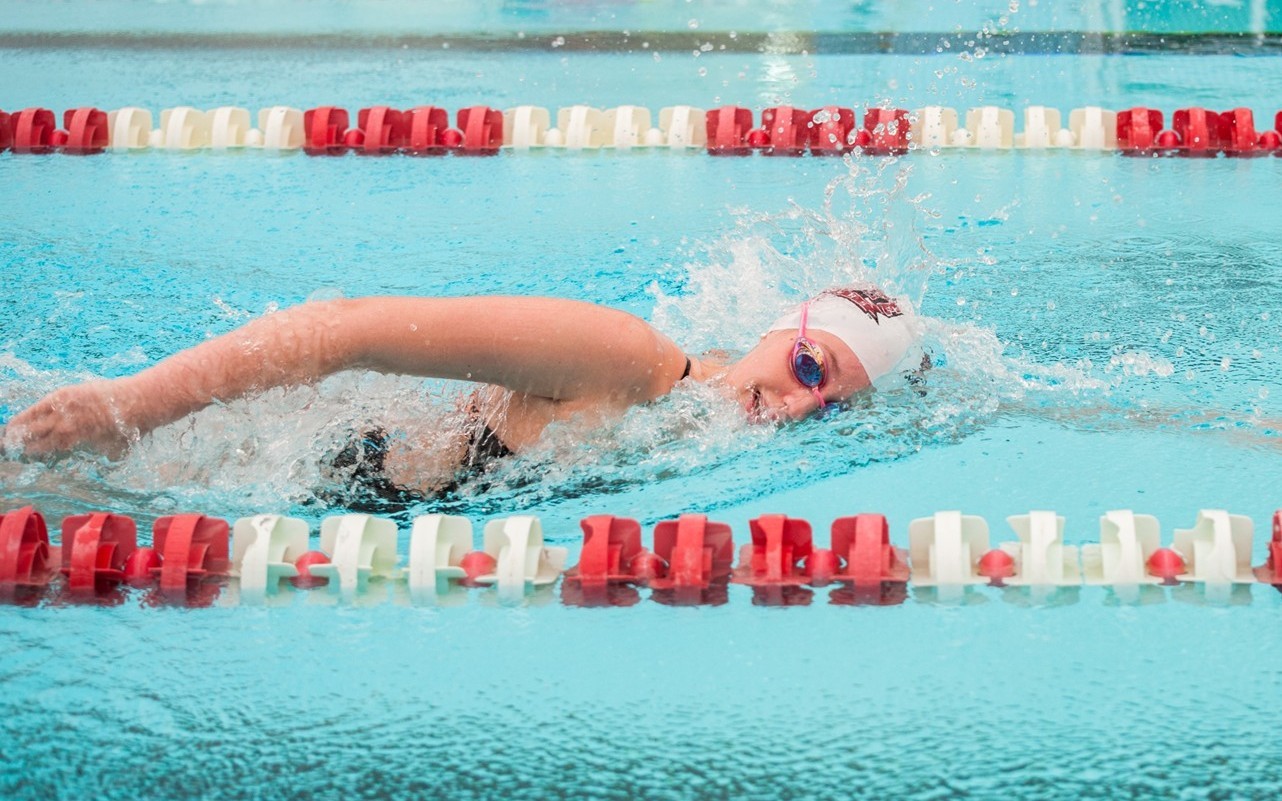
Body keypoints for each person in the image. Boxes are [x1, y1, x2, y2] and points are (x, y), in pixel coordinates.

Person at [4, 287, 918, 499]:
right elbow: (343, 327)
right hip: (301, 476)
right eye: (811, 368)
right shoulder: (628, 359)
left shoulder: (696, 424)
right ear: (782, 329)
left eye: (832, 405)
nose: (802, 404)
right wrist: (127, 409)